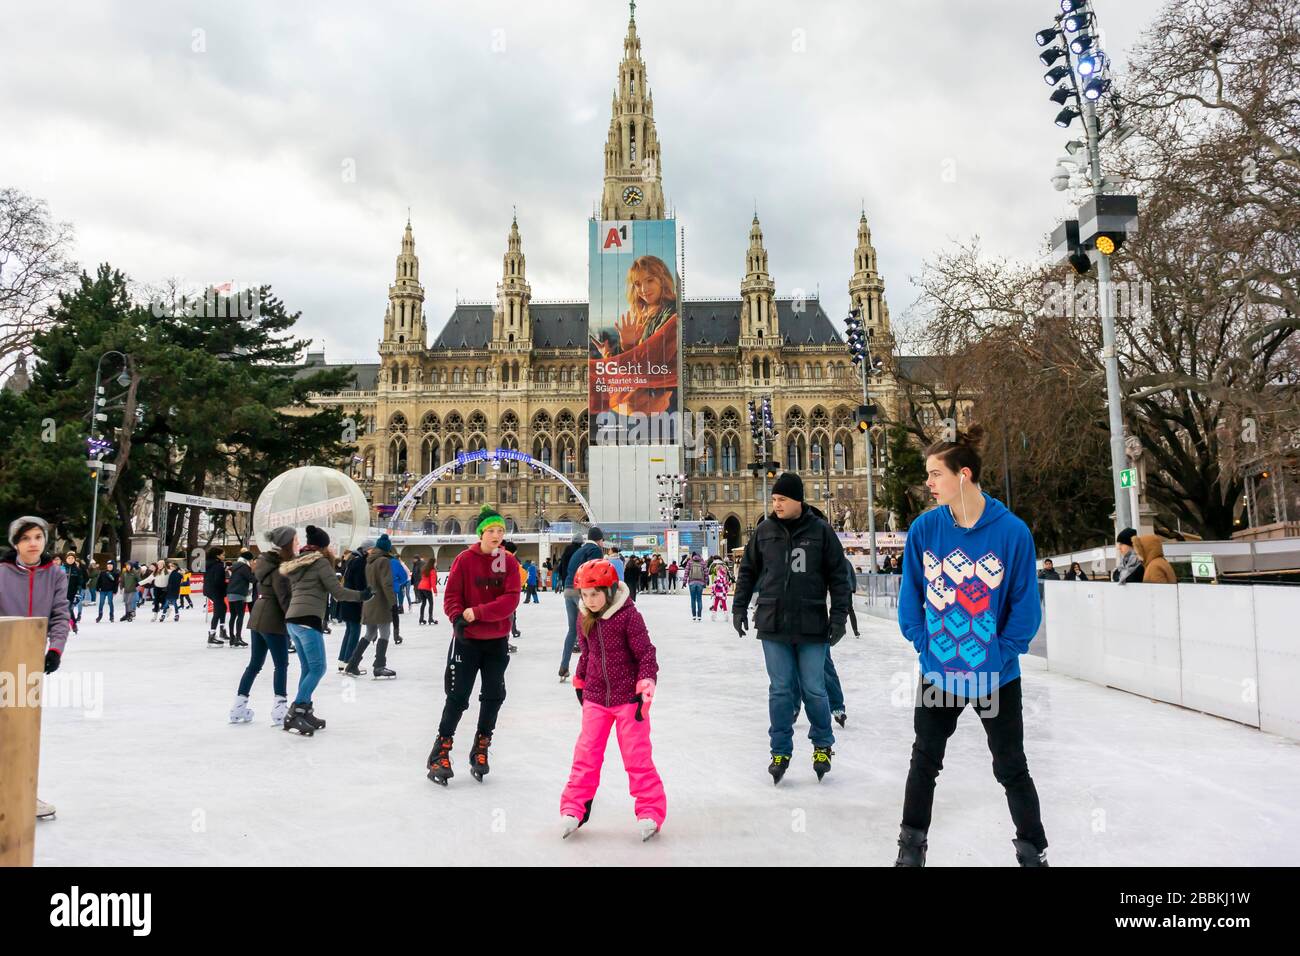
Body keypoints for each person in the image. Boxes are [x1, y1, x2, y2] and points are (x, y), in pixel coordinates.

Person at [895, 425, 1049, 867]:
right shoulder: (925, 530)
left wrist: (998, 656)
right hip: (939, 674)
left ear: (963, 475)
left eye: (935, 474)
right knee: (924, 761)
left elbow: (1024, 607)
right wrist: (928, 648)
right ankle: (910, 850)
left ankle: (1032, 851)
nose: (928, 482)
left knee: (1011, 767)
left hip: (996, 678)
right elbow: (912, 600)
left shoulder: (1012, 533)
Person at [733, 472, 850, 784]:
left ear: (798, 500)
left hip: (812, 623)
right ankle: (780, 749)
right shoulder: (764, 531)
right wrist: (739, 606)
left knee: (814, 688)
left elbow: (839, 577)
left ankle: (822, 744)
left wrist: (839, 617)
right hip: (773, 624)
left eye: (782, 499)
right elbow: (747, 571)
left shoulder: (821, 532)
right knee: (781, 690)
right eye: (774, 500)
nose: (776, 504)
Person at [560, 558, 664, 841]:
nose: (590, 600)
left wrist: (645, 683)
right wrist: (580, 677)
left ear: (608, 591)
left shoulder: (629, 616)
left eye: (595, 594)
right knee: (586, 755)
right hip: (595, 697)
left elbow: (646, 654)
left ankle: (650, 811)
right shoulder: (584, 619)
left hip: (629, 698)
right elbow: (588, 653)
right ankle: (574, 808)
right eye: (585, 594)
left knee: (637, 757)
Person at [427, 505, 521, 784]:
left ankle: (481, 747)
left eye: (501, 530)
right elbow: (452, 595)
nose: (497, 535)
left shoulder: (508, 562)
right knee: (458, 698)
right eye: (491, 530)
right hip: (467, 641)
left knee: (494, 695)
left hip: (496, 642)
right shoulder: (464, 560)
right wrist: (457, 617)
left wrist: (478, 612)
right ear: (481, 533)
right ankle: (440, 751)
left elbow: (510, 599)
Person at [1, 516, 71, 820]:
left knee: (24, 732)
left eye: (38, 537)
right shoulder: (1, 573)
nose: (33, 543)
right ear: (16, 542)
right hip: (2, 656)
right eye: (26, 537)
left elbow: (60, 615)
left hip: (29, 663)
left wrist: (54, 649)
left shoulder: (55, 574)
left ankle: (25, 795)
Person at [279, 525, 368, 734]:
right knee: (318, 668)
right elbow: (337, 592)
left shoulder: (296, 564)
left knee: (308, 669)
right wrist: (362, 595)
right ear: (324, 547)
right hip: (307, 620)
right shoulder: (320, 562)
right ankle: (296, 711)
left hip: (292, 620)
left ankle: (305, 709)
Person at [229, 526, 296, 726]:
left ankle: (238, 706)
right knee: (281, 664)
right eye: (295, 540)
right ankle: (279, 708)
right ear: (287, 543)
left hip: (258, 616)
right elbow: (284, 598)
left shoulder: (266, 563)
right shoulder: (279, 568)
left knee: (255, 664)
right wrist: (293, 620)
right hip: (273, 619)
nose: (297, 543)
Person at [345, 534, 398, 678]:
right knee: (385, 633)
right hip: (381, 602)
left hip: (369, 601)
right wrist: (393, 603)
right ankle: (379, 666)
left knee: (369, 633)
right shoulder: (383, 561)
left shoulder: (369, 561)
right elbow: (386, 584)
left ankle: (352, 664)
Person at [559, 527, 604, 681]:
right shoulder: (596, 550)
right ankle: (592, 669)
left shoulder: (579, 550)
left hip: (568, 590)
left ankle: (564, 666)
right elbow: (595, 574)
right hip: (582, 592)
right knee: (591, 629)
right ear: (599, 539)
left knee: (572, 630)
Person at [336, 539, 369, 670]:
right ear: (367, 550)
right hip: (353, 601)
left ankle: (342, 661)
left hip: (347, 599)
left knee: (349, 631)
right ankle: (349, 661)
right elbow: (359, 583)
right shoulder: (360, 562)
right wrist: (364, 597)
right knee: (354, 632)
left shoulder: (352, 559)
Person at [226, 552, 255, 647]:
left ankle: (232, 638)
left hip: (231, 592)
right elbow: (251, 579)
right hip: (239, 593)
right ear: (248, 559)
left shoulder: (236, 565)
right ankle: (238, 638)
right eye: (251, 560)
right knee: (240, 616)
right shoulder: (244, 567)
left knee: (233, 616)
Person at [203, 549, 229, 645]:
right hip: (216, 590)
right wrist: (227, 587)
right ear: (217, 556)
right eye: (223, 554)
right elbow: (219, 580)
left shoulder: (208, 564)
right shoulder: (218, 566)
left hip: (209, 589)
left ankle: (222, 630)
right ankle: (212, 635)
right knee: (218, 610)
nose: (224, 556)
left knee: (223, 608)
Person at [389, 550, 409, 645]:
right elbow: (404, 576)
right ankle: (396, 635)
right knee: (394, 614)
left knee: (379, 613)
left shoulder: (375, 560)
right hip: (391, 591)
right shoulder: (395, 562)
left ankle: (373, 634)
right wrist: (397, 584)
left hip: (377, 593)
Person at [63, 552, 86, 624]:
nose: (70, 559)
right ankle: (71, 624)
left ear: (74, 559)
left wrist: (78, 592)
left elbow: (80, 582)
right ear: (66, 559)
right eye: (69, 558)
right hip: (62, 592)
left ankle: (73, 624)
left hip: (72, 593)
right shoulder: (62, 568)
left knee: (69, 608)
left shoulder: (77, 570)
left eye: (72, 558)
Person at [683, 551, 707, 622]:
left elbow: (686, 572)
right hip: (700, 583)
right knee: (699, 599)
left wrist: (684, 582)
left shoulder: (690, 562)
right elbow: (706, 573)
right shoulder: (703, 562)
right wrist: (705, 582)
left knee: (693, 599)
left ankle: (694, 616)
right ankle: (699, 616)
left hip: (692, 583)